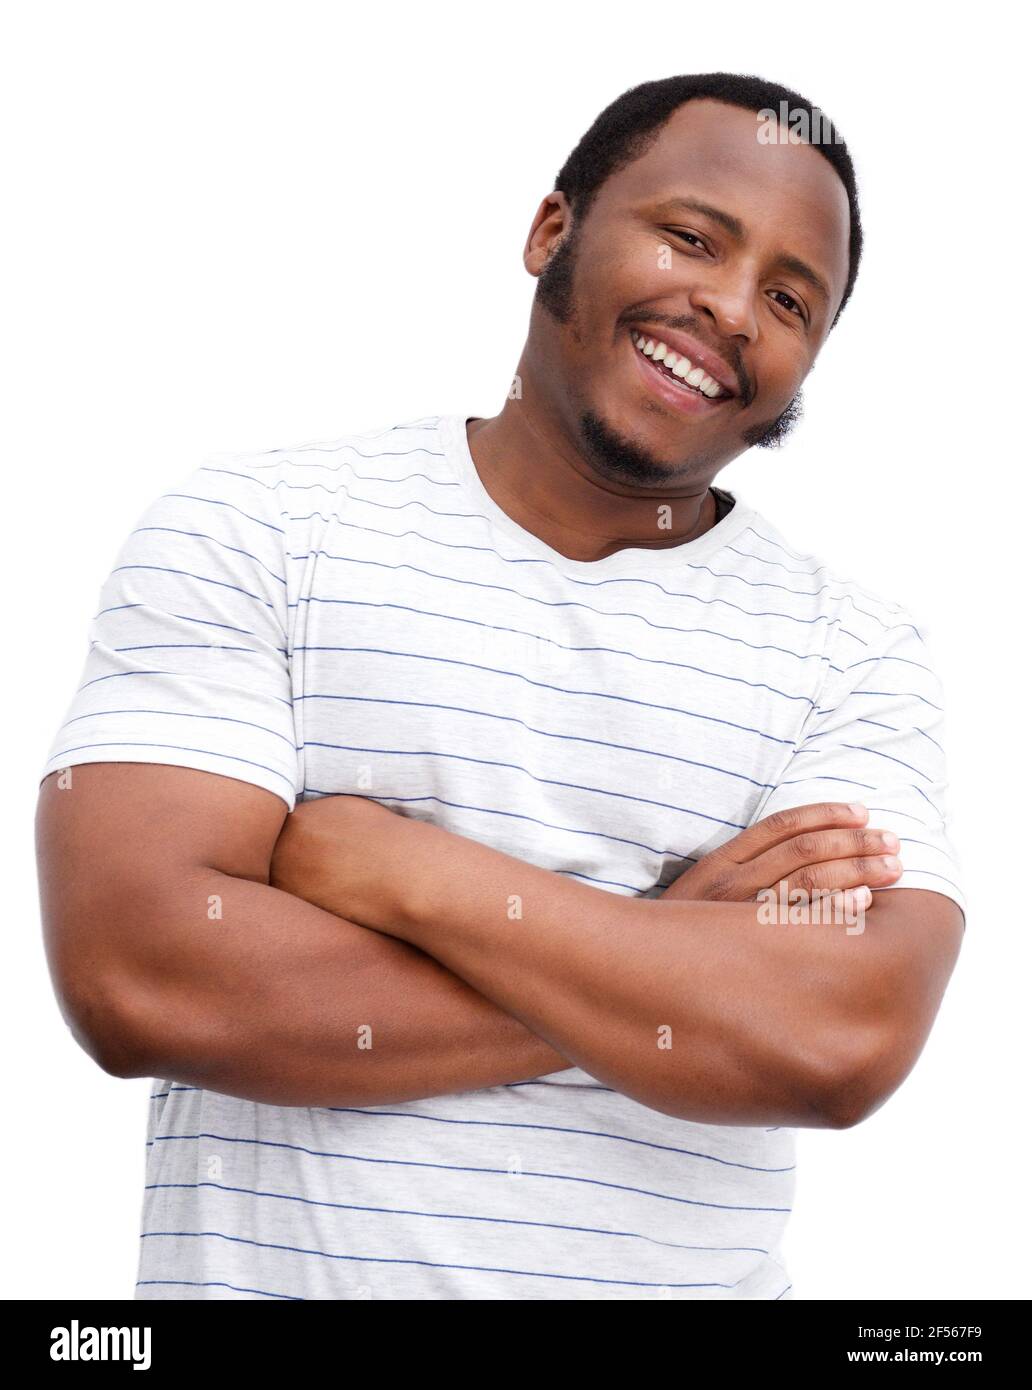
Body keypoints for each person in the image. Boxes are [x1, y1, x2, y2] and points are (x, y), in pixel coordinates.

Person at [36, 72, 965, 1301]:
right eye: (693, 237)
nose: (733, 309)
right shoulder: (259, 530)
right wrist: (679, 949)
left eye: (791, 300)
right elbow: (140, 974)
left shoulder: (855, 649)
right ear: (552, 231)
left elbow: (840, 1039)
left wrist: (402, 870)